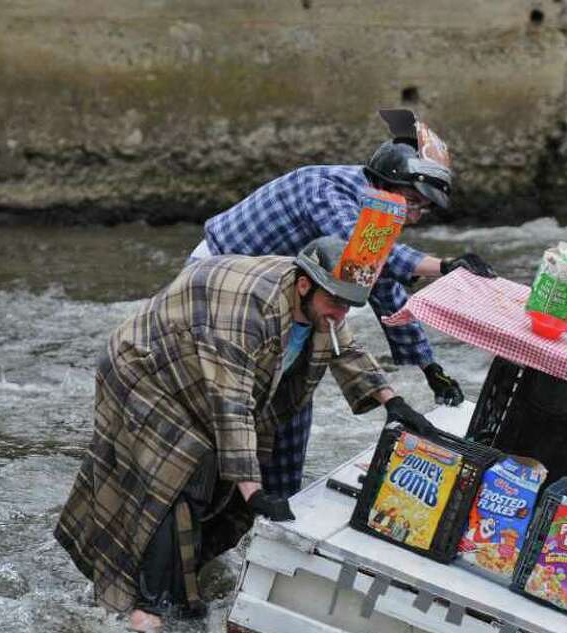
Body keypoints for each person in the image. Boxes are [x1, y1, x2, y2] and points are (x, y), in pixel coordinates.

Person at [54, 236, 436, 633]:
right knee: (175, 477)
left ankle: (180, 581)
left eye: (349, 305)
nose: (341, 312)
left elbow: (343, 345)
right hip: (148, 370)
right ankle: (151, 608)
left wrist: (392, 401)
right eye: (335, 302)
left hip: (199, 374)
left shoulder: (322, 304)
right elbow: (232, 406)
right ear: (304, 285)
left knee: (212, 485)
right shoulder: (251, 313)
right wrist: (254, 492)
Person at [189, 108, 496, 496]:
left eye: (424, 209)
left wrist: (428, 365)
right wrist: (444, 266)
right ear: (388, 183)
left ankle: (279, 503)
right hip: (220, 287)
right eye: (414, 202)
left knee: (295, 398)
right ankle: (218, 492)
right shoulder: (326, 190)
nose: (415, 215)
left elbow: (379, 284)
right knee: (228, 404)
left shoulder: (379, 215)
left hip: (294, 298)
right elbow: (362, 253)